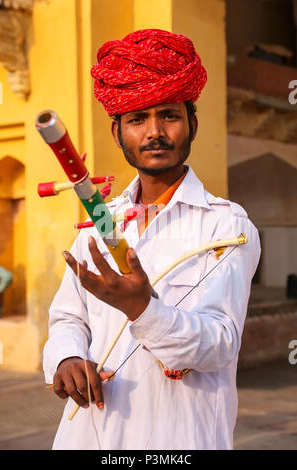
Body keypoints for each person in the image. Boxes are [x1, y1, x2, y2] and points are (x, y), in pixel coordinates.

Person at [43, 29, 261, 450]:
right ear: (117, 132)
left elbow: (219, 344)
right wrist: (67, 357)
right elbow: (68, 318)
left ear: (192, 124)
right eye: (138, 119)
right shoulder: (99, 222)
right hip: (87, 437)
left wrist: (142, 309)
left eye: (169, 115)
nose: (154, 132)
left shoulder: (226, 227)